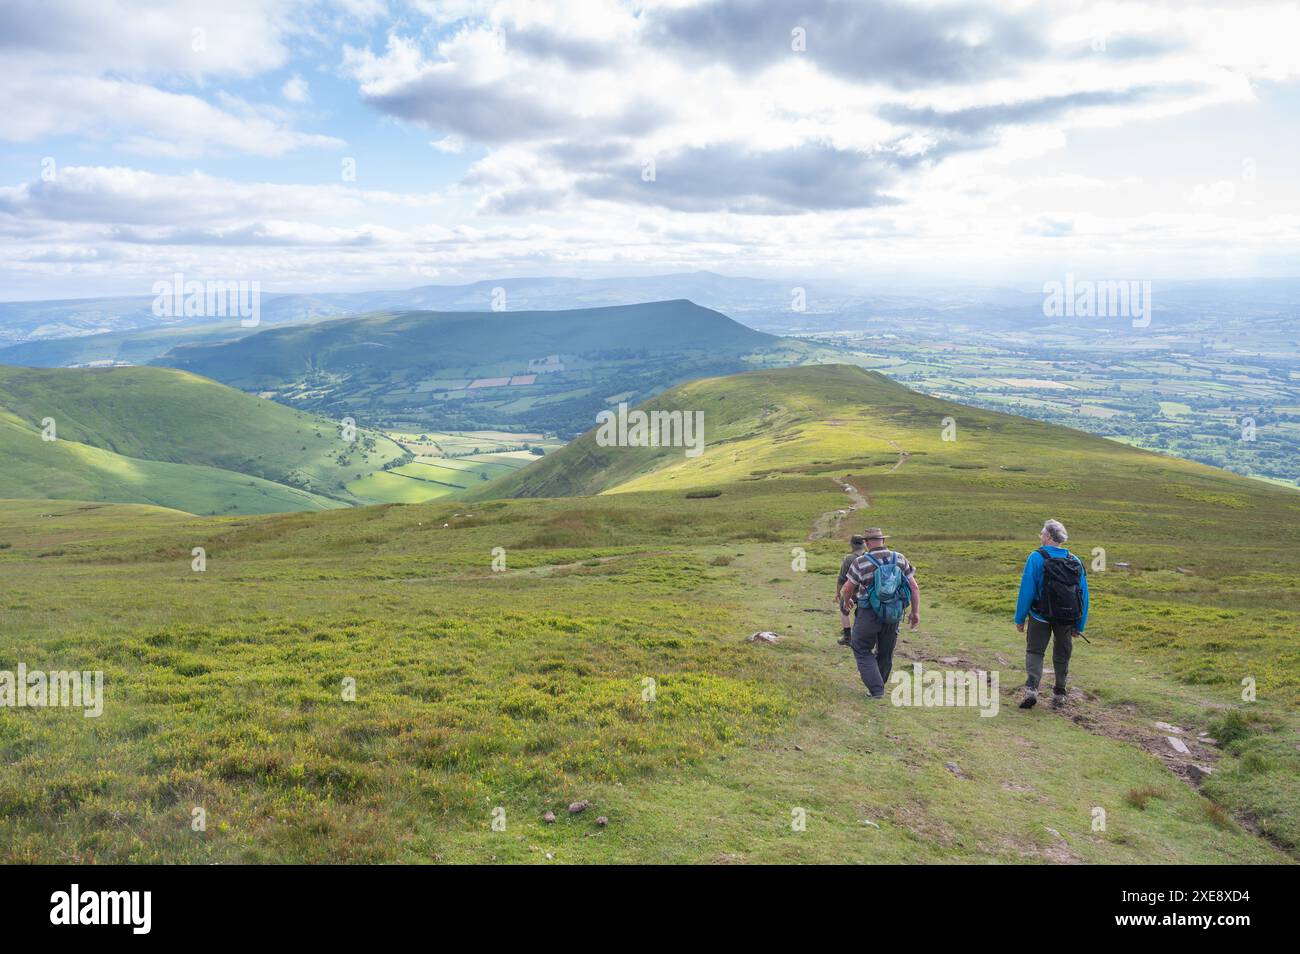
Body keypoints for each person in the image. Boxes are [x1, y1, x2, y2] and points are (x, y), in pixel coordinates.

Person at [1014, 519, 1089, 710]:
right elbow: (1083, 595)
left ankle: (1031, 690)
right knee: (1062, 654)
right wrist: (1079, 625)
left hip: (1040, 616)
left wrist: (1020, 618)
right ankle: (1060, 693)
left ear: (1048, 536)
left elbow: (1027, 590)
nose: (1040, 536)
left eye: (1041, 533)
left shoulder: (1036, 557)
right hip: (1066, 619)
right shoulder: (1075, 561)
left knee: (1035, 651)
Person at [839, 528, 921, 698]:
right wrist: (915, 612)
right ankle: (878, 685)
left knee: (861, 647)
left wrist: (847, 601)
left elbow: (848, 587)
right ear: (882, 540)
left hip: (868, 612)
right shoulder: (899, 558)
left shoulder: (861, 561)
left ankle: (876, 689)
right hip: (894, 613)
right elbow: (914, 587)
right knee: (885, 651)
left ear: (867, 542)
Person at [835, 535, 866, 645]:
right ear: (864, 544)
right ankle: (862, 636)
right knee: (864, 613)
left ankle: (847, 636)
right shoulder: (869, 556)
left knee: (844, 609)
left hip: (851, 591)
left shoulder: (849, 558)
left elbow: (842, 578)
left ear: (851, 544)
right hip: (867, 592)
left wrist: (838, 593)